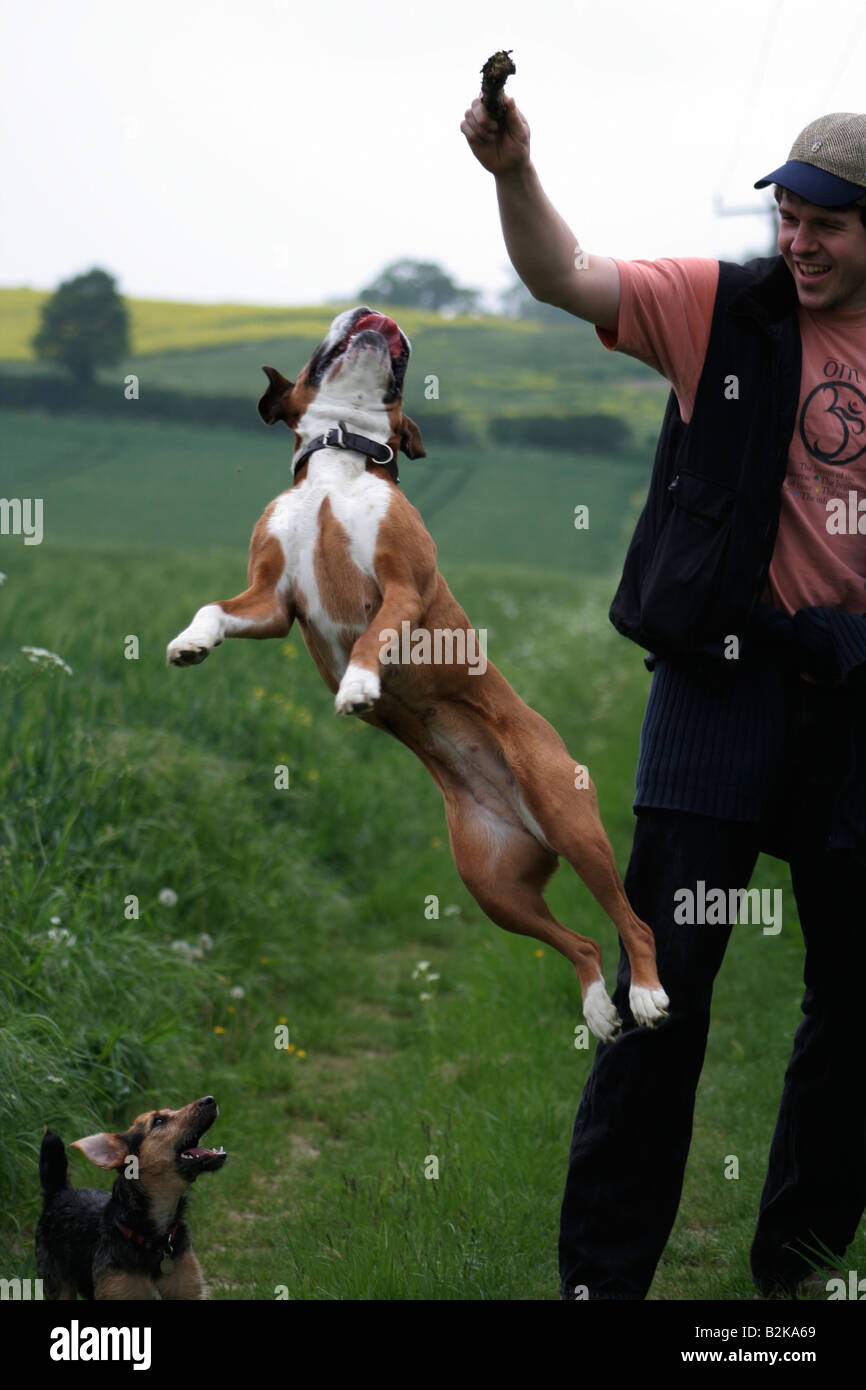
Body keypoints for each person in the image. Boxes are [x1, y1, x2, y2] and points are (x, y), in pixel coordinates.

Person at [461, 96, 866, 1300]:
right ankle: (601, 1282)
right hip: (718, 695)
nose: (795, 242)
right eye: (785, 216)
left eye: (824, 226)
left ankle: (791, 1272)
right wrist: (516, 172)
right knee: (663, 994)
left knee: (854, 1014)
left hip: (852, 711)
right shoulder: (717, 307)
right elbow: (564, 274)